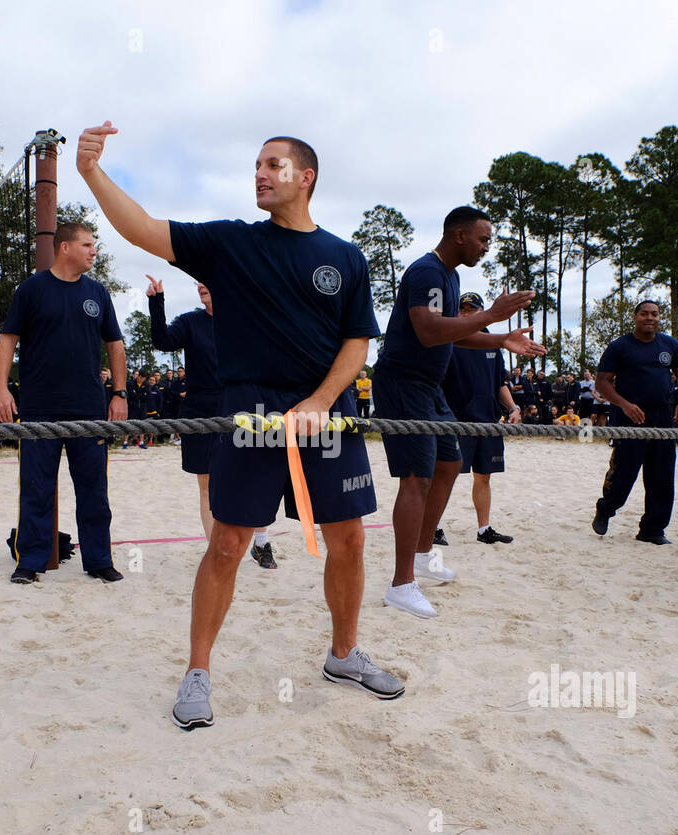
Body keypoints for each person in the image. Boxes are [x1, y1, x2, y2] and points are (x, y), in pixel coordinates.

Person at [77, 122, 403, 726]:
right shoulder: (231, 244)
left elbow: (358, 343)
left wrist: (321, 402)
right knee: (228, 543)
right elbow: (144, 230)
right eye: (256, 164)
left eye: (273, 165)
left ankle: (344, 654)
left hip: (329, 419)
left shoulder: (344, 256)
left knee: (351, 540)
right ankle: (197, 672)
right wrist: (92, 173)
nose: (260, 173)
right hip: (250, 413)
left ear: (305, 178)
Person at [372, 206, 540, 619]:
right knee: (416, 479)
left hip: (430, 387)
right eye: (483, 239)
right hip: (402, 383)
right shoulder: (428, 272)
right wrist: (492, 315)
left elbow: (454, 335)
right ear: (460, 235)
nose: (487, 247)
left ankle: (422, 556)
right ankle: (400, 585)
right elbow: (429, 331)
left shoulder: (452, 274)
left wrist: (500, 338)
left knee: (451, 462)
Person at [0, 220, 127, 585]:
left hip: (89, 409)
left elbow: (115, 344)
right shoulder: (32, 290)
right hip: (39, 409)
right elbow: (8, 340)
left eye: (94, 245)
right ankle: (30, 561)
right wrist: (1, 389)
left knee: (94, 492)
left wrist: (119, 392)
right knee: (36, 489)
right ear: (65, 247)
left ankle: (99, 559)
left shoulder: (98, 293)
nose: (93, 252)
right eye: (87, 245)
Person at [148, 277, 277, 568]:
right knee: (206, 485)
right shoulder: (191, 322)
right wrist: (156, 302)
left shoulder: (246, 319)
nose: (202, 284)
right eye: (198, 280)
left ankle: (261, 543)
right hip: (199, 410)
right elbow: (162, 341)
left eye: (208, 278)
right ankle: (215, 551)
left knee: (250, 478)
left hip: (242, 406)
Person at [591, 300, 678, 544]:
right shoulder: (620, 347)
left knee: (662, 476)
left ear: (659, 318)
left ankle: (652, 530)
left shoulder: (670, 344)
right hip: (628, 417)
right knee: (624, 475)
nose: (650, 318)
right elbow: (601, 382)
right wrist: (624, 404)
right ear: (635, 317)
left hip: (662, 418)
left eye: (654, 314)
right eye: (644, 314)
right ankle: (606, 508)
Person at [440, 290, 522, 549]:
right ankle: (432, 527)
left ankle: (484, 529)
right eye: (464, 310)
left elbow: (500, 383)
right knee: (444, 476)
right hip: (456, 421)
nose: (469, 314)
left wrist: (513, 407)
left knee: (484, 476)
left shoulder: (494, 343)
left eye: (474, 310)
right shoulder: (449, 341)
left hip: (488, 421)